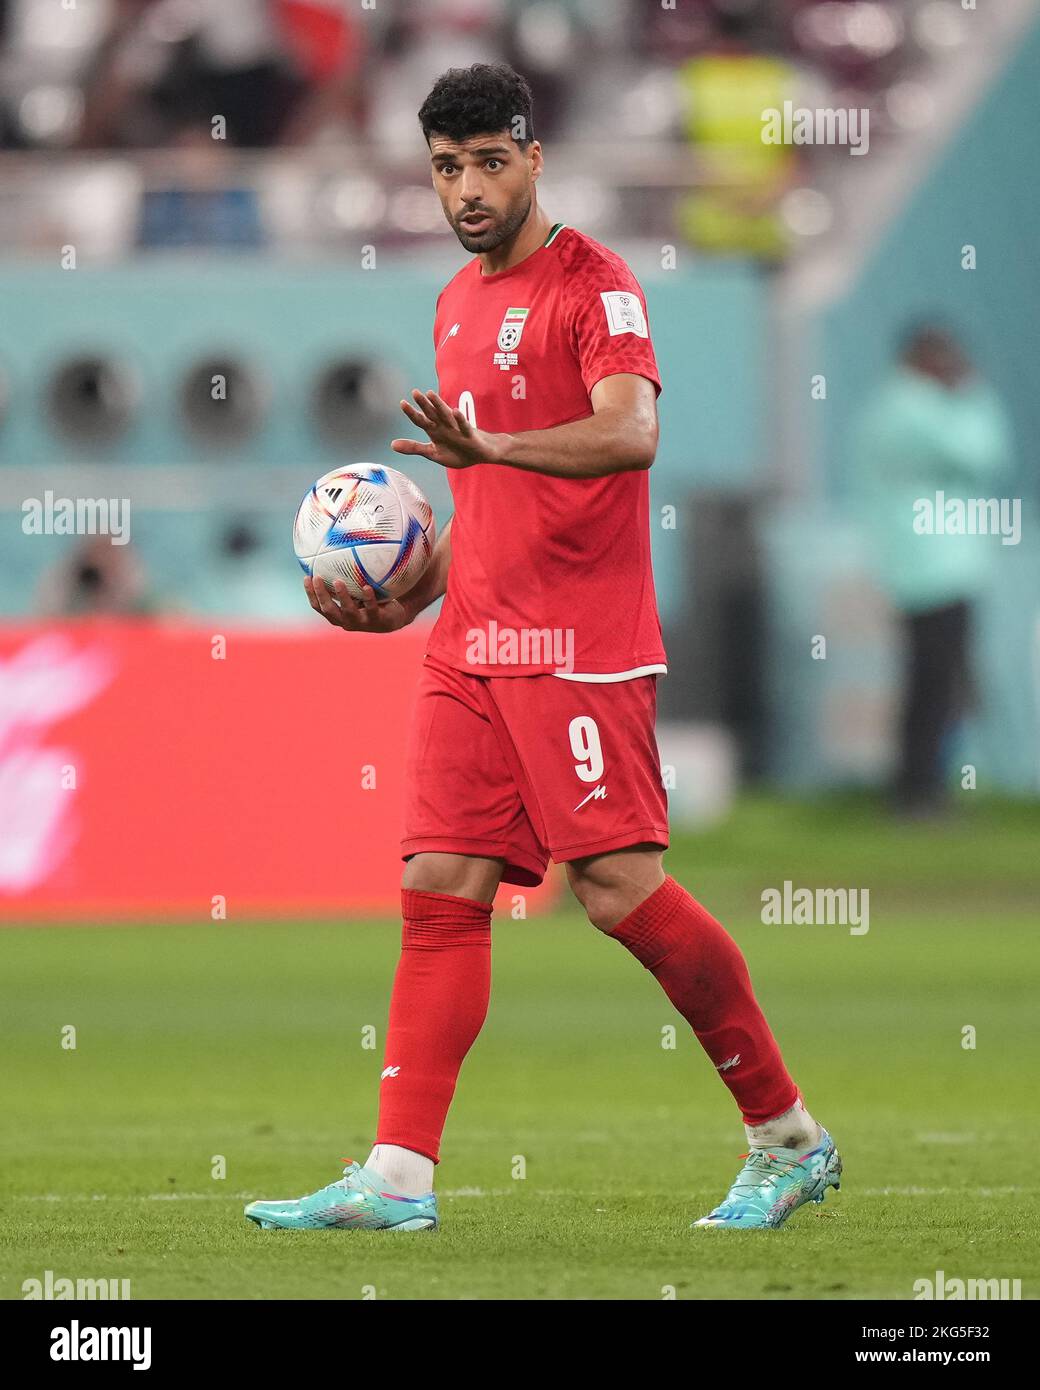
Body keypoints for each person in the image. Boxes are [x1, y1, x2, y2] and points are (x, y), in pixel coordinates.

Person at [245, 62, 841, 1234]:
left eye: (484, 162)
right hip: (472, 640)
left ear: (530, 156)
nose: (464, 190)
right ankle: (396, 1178)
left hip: (578, 644)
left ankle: (786, 1138)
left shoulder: (595, 285)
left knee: (620, 894)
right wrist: (409, 592)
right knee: (437, 887)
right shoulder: (457, 301)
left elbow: (629, 435)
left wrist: (493, 449)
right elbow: (484, 497)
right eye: (444, 169)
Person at [853, 326, 1014, 817]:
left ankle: (923, 788)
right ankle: (918, 793)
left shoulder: (891, 407)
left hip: (922, 568)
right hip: (935, 570)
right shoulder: (915, 408)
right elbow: (986, 453)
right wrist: (975, 390)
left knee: (936, 685)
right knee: (935, 686)